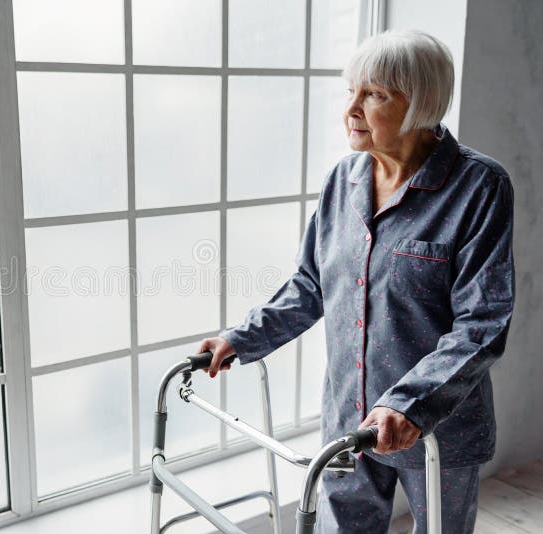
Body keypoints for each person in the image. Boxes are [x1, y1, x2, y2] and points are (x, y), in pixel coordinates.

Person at [197, 30, 514, 533]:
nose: (352, 108)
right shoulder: (341, 181)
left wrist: (407, 404)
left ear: (421, 103)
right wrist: (242, 338)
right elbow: (310, 285)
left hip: (436, 429)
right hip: (350, 419)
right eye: (351, 91)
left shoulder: (479, 186)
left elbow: (483, 322)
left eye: (375, 95)